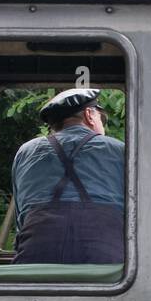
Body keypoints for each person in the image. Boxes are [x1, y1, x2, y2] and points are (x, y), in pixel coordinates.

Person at [10, 87, 125, 264]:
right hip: (105, 259)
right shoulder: (120, 149)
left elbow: (21, 217)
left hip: (36, 258)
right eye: (103, 119)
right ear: (89, 115)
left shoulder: (26, 152)